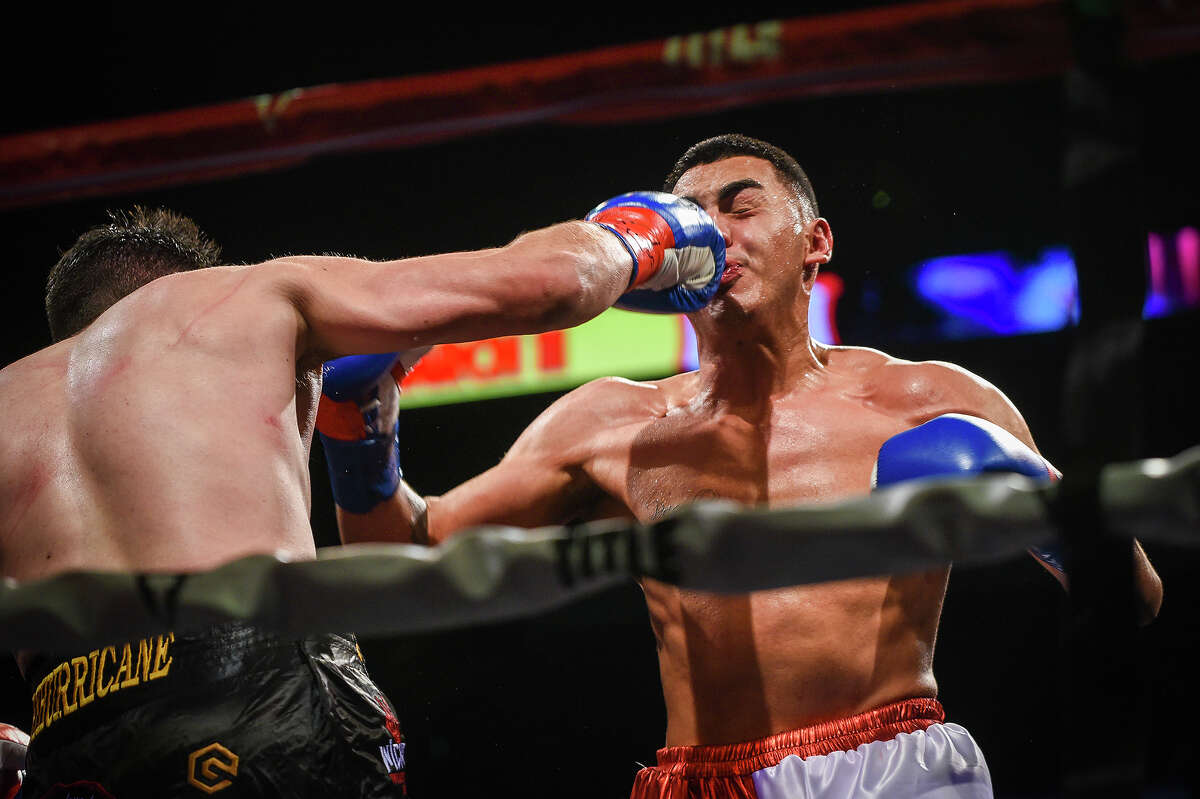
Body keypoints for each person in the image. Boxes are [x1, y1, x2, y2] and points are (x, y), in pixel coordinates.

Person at [323, 135, 1164, 798]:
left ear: (815, 242)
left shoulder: (925, 401)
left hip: (893, 773)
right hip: (701, 779)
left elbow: (1135, 598)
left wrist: (1035, 500)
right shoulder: (615, 424)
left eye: (740, 206)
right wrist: (357, 434)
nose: (708, 230)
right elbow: (402, 556)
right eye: (685, 214)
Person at [0, 193, 726, 798]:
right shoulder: (236, 296)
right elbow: (549, 282)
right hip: (256, 687)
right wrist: (643, 233)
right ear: (182, 279)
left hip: (69, 738)